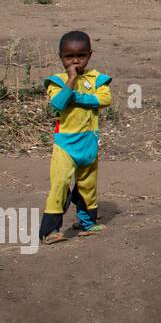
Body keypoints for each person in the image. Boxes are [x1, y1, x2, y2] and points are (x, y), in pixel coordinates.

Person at [40, 30, 112, 244]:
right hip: (66, 144)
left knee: (87, 185)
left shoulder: (97, 78)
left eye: (81, 56)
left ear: (90, 55)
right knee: (60, 183)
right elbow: (59, 103)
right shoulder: (57, 81)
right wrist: (71, 81)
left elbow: (104, 99)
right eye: (69, 57)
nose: (75, 61)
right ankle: (50, 231)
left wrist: (77, 97)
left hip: (89, 141)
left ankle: (87, 223)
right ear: (60, 56)